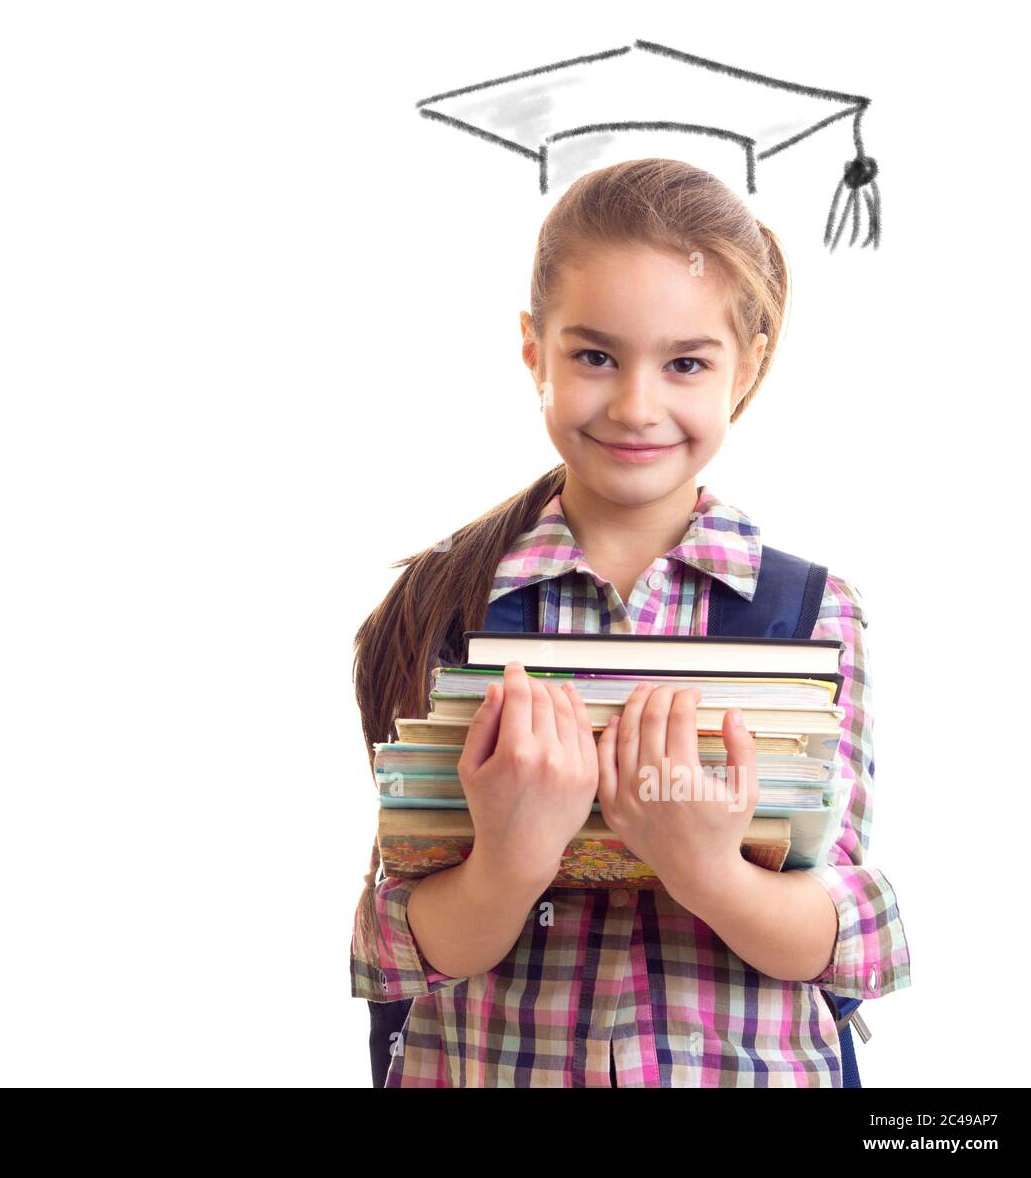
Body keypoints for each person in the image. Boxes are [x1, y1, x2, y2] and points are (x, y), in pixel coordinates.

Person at [349, 158, 911, 1087]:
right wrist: (514, 856)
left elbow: (856, 937)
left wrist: (706, 869)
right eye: (594, 355)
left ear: (748, 365)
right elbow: (392, 945)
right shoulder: (450, 607)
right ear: (534, 350)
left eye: (686, 362)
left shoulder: (813, 615)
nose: (638, 404)